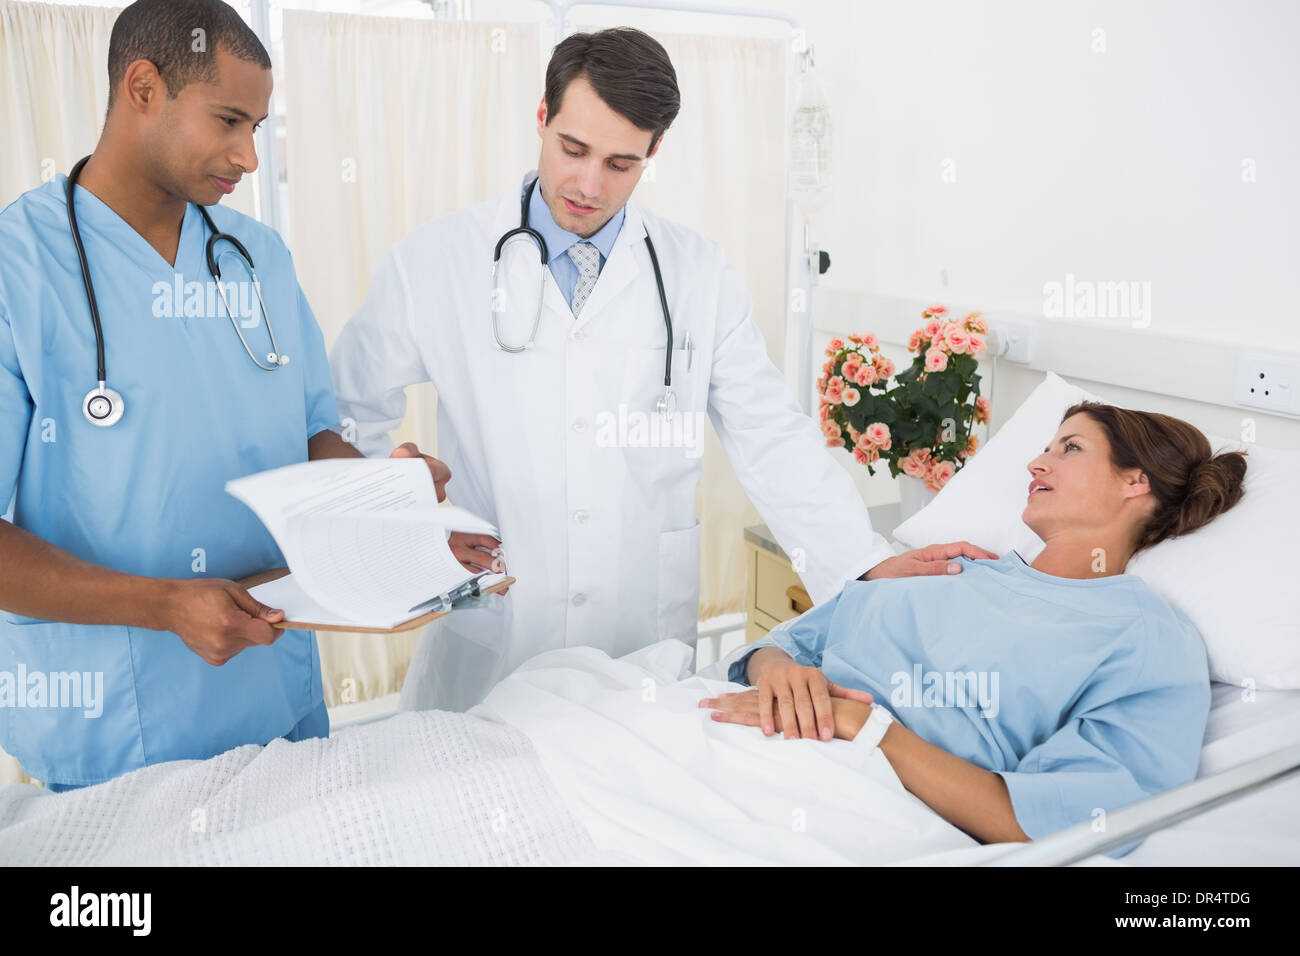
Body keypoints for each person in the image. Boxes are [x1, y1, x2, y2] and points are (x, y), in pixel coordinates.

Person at [328, 27, 995, 714]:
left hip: (635, 650)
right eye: (572, 149)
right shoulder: (438, 260)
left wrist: (860, 561)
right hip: (491, 644)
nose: (588, 185)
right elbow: (346, 410)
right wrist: (408, 525)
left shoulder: (697, 273)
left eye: (620, 163)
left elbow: (769, 432)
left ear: (654, 151)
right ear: (541, 117)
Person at [0, 0, 459, 790]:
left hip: (275, 694)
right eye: (229, 121)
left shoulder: (258, 258)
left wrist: (382, 495)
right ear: (143, 88)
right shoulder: (20, 271)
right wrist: (165, 605)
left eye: (259, 127)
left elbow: (313, 429)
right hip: (118, 729)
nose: (249, 157)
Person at [703, 402, 1248, 855]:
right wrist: (780, 672)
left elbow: (1058, 820)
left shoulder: (1147, 641)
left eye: (1070, 448)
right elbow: (775, 644)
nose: (1036, 463)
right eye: (1046, 447)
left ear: (1136, 481)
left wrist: (859, 724)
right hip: (725, 734)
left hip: (835, 803)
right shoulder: (950, 567)